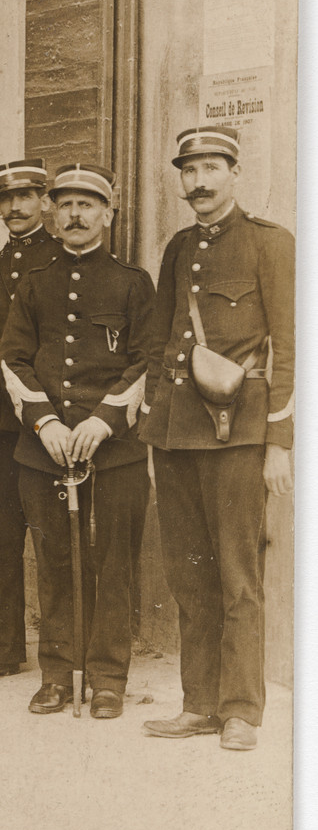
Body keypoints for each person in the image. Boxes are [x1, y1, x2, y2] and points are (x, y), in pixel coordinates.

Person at [139, 127, 294, 752]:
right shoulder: (179, 247)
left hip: (239, 435)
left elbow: (291, 346)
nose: (199, 182)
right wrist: (155, 430)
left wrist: (279, 440)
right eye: (189, 170)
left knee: (238, 577)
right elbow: (161, 342)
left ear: (234, 172)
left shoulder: (270, 243)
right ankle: (198, 704)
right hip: (177, 435)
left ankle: (241, 712)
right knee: (189, 577)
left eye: (211, 168)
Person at [1, 163, 155, 719]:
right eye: (64, 204)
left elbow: (149, 359)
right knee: (54, 561)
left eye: (86, 205)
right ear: (51, 213)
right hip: (45, 450)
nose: (74, 214)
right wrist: (46, 423)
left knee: (113, 564)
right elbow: (12, 358)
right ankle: (57, 675)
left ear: (107, 214)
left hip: (115, 451)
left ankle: (108, 679)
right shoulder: (33, 283)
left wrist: (104, 421)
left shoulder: (133, 283)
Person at [0, 158, 59, 681]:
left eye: (25, 196)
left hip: (52, 426)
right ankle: (2, 648)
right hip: (0, 427)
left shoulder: (63, 259)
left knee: (53, 538)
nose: (15, 207)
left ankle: (64, 651)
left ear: (44, 200)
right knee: (0, 537)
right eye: (6, 199)